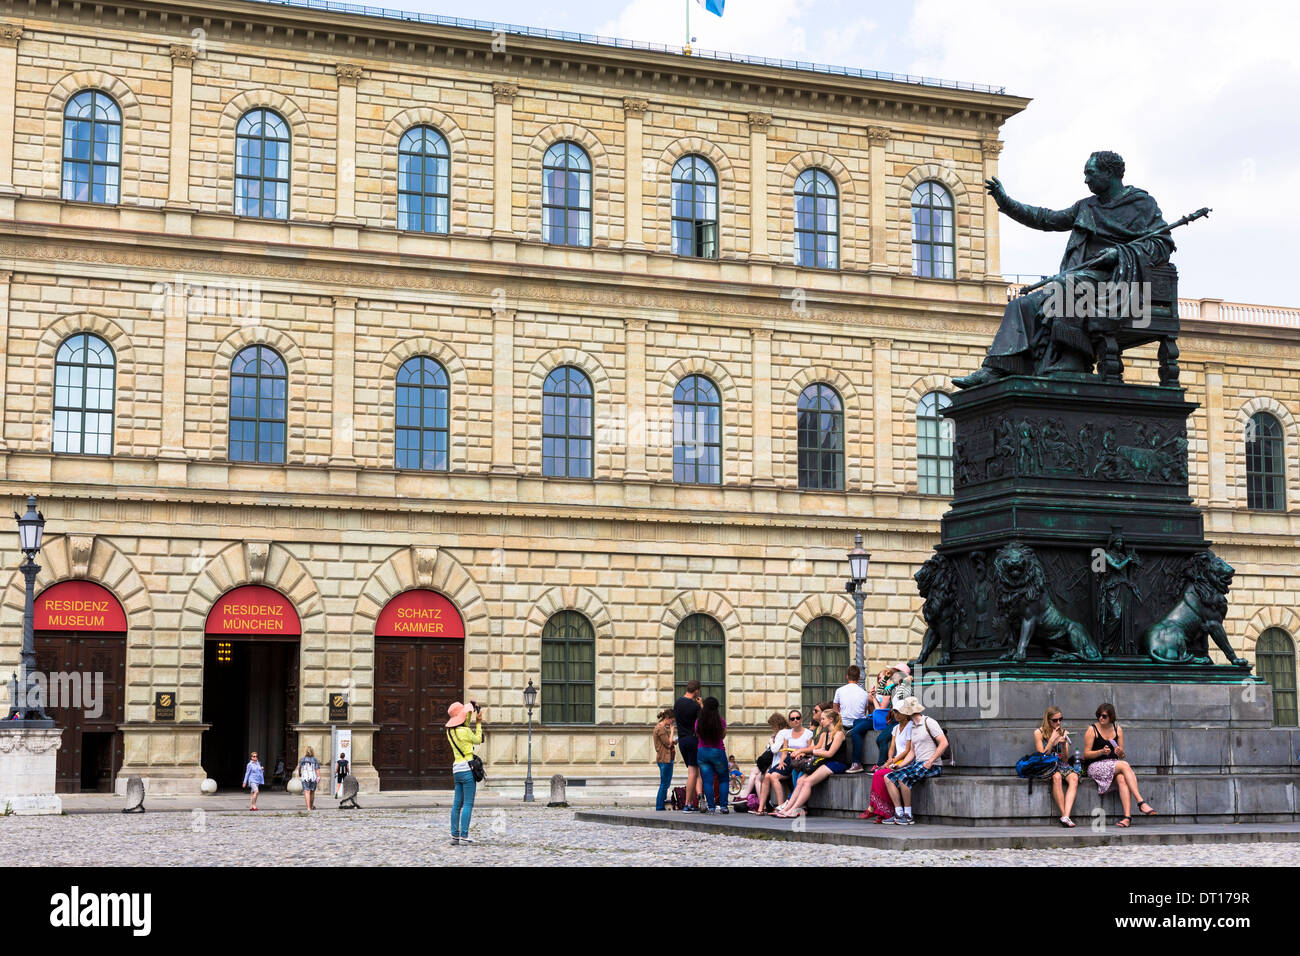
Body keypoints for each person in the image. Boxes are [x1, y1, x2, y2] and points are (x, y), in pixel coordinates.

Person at [954, 151, 1173, 388]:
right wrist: (1006, 202)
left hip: (1118, 280)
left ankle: (1069, 360)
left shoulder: (1141, 204)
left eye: (1090, 174)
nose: (1086, 180)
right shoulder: (1086, 207)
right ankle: (997, 368)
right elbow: (1046, 219)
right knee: (1022, 304)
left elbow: (1162, 245)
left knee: (1064, 285)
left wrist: (1118, 255)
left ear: (1109, 173)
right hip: (1082, 278)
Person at [1083, 703, 1156, 828]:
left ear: (1111, 717)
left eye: (1104, 716)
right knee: (1124, 765)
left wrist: (1120, 752)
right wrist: (1100, 752)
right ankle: (1140, 802)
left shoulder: (1118, 729)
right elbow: (1086, 754)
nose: (1101, 718)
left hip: (1113, 764)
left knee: (1122, 778)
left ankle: (1127, 817)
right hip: (1095, 766)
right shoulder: (1092, 729)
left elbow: (1122, 755)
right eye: (1099, 715)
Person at [773, 710, 850, 818]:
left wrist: (814, 752)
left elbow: (829, 753)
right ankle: (787, 808)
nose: (821, 721)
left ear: (831, 719)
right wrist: (814, 752)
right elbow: (822, 749)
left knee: (807, 782)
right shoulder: (827, 734)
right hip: (825, 761)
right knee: (800, 780)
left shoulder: (839, 734)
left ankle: (794, 810)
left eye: (823, 719)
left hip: (837, 763)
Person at [883, 698, 947, 825]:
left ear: (909, 712)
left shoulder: (929, 722)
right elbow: (912, 752)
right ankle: (898, 813)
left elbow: (944, 743)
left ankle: (908, 815)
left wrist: (930, 761)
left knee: (903, 777)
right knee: (888, 777)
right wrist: (899, 765)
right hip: (919, 763)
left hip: (933, 765)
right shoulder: (912, 727)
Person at [859, 707, 911, 822]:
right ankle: (882, 811)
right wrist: (889, 760)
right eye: (895, 712)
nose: (896, 715)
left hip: (906, 761)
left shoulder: (910, 726)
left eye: (899, 712)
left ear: (906, 713)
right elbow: (892, 747)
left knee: (880, 775)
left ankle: (882, 811)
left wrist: (893, 761)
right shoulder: (896, 728)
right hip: (895, 760)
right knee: (879, 773)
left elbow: (907, 750)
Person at [756, 708, 810, 815]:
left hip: (800, 760)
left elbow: (810, 749)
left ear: (801, 719)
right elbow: (785, 751)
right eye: (793, 719)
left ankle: (780, 807)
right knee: (767, 776)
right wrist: (781, 762)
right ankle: (762, 808)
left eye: (798, 718)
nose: (795, 720)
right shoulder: (787, 734)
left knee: (772, 776)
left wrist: (802, 752)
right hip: (788, 760)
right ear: (789, 721)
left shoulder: (807, 733)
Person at [1034, 706, 1080, 827]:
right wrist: (1051, 741)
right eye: (1055, 720)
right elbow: (1042, 756)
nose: (1058, 722)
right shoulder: (1038, 733)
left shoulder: (1063, 732)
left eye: (1060, 719)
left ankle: (1066, 816)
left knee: (1074, 777)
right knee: (1057, 777)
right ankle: (1064, 814)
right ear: (1048, 720)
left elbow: (1065, 759)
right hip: (1047, 765)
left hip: (1061, 763)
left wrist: (1064, 745)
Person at [446, 700, 484, 845]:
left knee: (457, 804)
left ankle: (455, 835)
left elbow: (462, 723)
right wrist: (479, 722)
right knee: (468, 804)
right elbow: (478, 739)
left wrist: (469, 711)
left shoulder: (450, 731)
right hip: (468, 770)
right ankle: (465, 836)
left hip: (457, 769)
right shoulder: (466, 731)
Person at [742, 712, 789, 804]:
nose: (771, 727)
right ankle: (758, 802)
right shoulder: (782, 732)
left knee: (757, 776)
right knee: (756, 774)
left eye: (772, 725)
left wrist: (771, 742)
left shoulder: (782, 733)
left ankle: (756, 801)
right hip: (774, 762)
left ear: (776, 724)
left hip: (778, 763)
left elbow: (774, 749)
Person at [694, 696, 729, 813]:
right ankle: (723, 806)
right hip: (718, 751)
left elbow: (697, 735)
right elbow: (723, 736)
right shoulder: (721, 721)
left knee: (707, 781)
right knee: (723, 779)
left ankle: (712, 807)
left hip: (703, 751)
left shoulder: (699, 721)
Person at [833, 665, 871, 773]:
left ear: (847, 676)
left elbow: (835, 708)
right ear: (859, 677)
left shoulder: (840, 690)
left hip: (843, 723)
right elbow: (864, 711)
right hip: (858, 723)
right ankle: (856, 763)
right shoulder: (864, 693)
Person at [674, 680, 703, 811]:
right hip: (693, 740)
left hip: (682, 741)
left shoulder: (677, 703)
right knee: (693, 772)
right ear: (696, 691)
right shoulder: (695, 706)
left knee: (694, 772)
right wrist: (701, 705)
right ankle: (688, 803)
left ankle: (695, 798)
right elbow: (703, 720)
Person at [653, 707, 676, 811]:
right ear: (667, 718)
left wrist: (673, 741)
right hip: (665, 759)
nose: (672, 723)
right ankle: (659, 806)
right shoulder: (661, 729)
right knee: (664, 784)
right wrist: (672, 731)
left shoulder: (661, 728)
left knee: (665, 783)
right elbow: (668, 743)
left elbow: (667, 743)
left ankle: (660, 804)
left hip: (665, 758)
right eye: (672, 720)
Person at [298, 745, 321, 810]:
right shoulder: (315, 759)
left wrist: (299, 773)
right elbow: (317, 769)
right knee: (312, 792)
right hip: (313, 777)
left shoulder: (303, 759)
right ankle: (311, 806)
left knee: (306, 791)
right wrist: (319, 776)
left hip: (305, 776)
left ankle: (308, 808)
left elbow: (299, 767)